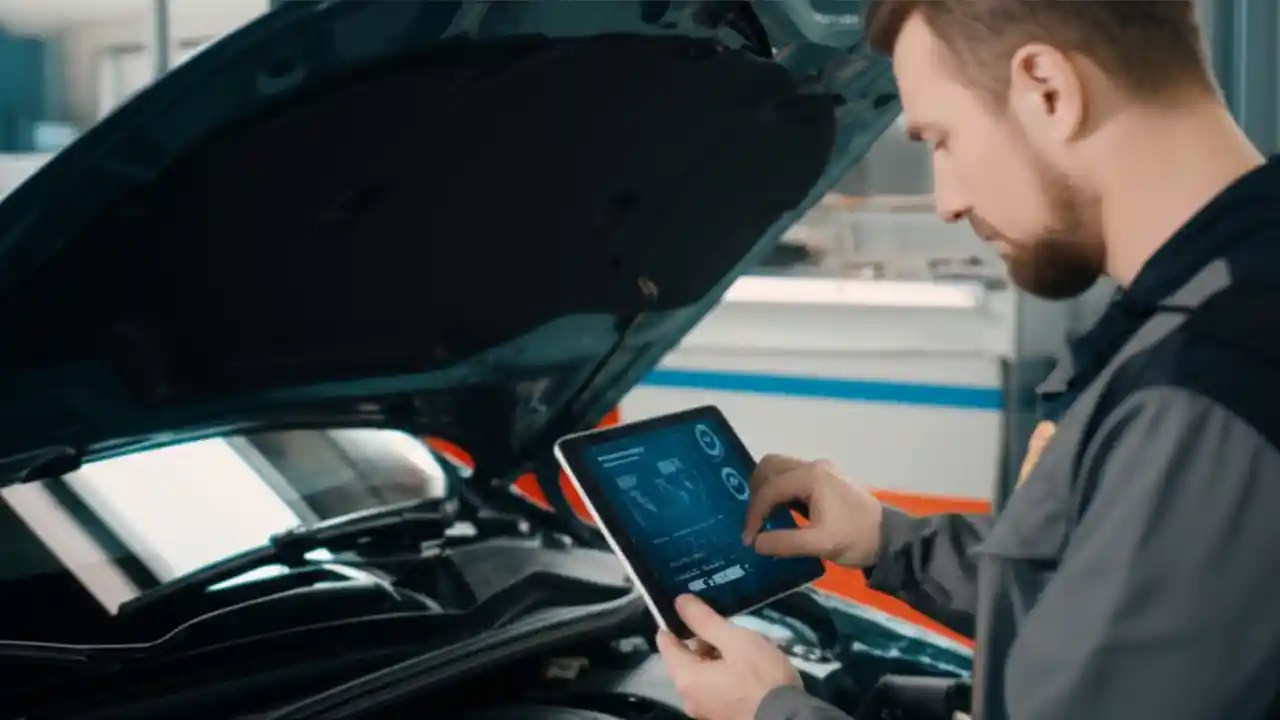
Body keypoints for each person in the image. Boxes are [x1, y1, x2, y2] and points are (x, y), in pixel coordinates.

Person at [655, 1, 1280, 719]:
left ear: (1047, 88)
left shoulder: (1207, 388)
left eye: (941, 140)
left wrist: (769, 712)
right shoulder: (1218, 300)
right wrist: (888, 540)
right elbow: (1099, 582)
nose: (947, 201)